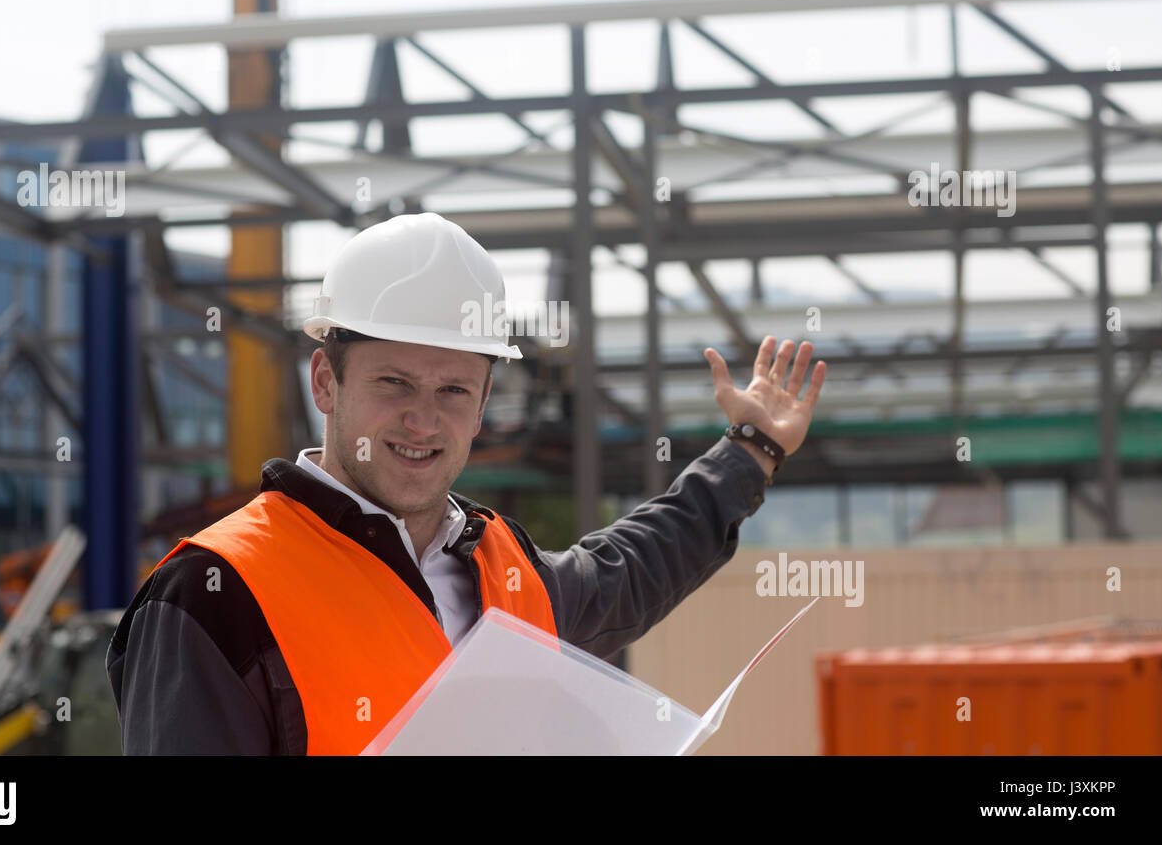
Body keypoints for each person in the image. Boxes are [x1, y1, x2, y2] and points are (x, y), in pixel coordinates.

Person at [106, 211, 825, 754]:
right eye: (394, 383)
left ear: (482, 407)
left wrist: (751, 449)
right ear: (326, 382)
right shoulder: (217, 592)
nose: (423, 420)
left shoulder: (502, 568)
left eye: (454, 390)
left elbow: (634, 568)